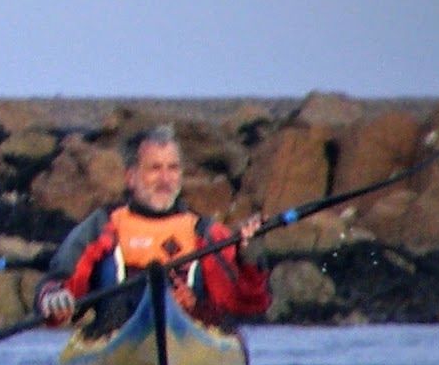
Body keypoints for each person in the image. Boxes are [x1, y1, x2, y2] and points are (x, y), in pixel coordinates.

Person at [38, 125, 268, 327]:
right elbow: (59, 279)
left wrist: (249, 257)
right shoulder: (103, 226)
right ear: (131, 177)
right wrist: (54, 296)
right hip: (117, 336)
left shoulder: (205, 232)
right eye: (155, 168)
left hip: (189, 337)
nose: (165, 179)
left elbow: (250, 304)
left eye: (173, 168)